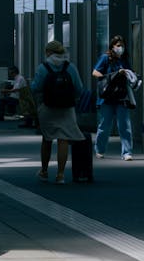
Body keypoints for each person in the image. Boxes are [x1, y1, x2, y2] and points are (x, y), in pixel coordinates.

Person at [30, 39, 85, 185]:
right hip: (66, 108)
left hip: (47, 108)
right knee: (63, 139)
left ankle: (44, 171)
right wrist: (72, 99)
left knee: (47, 139)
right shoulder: (70, 67)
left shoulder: (43, 67)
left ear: (48, 52)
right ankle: (60, 175)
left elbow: (35, 88)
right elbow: (79, 88)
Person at [92, 34, 137, 161]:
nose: (120, 48)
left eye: (122, 46)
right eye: (118, 46)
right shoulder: (105, 58)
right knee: (104, 126)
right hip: (107, 98)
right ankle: (99, 150)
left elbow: (130, 73)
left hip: (121, 96)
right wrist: (112, 75)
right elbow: (95, 72)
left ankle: (127, 152)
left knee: (125, 126)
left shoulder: (124, 59)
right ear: (112, 46)